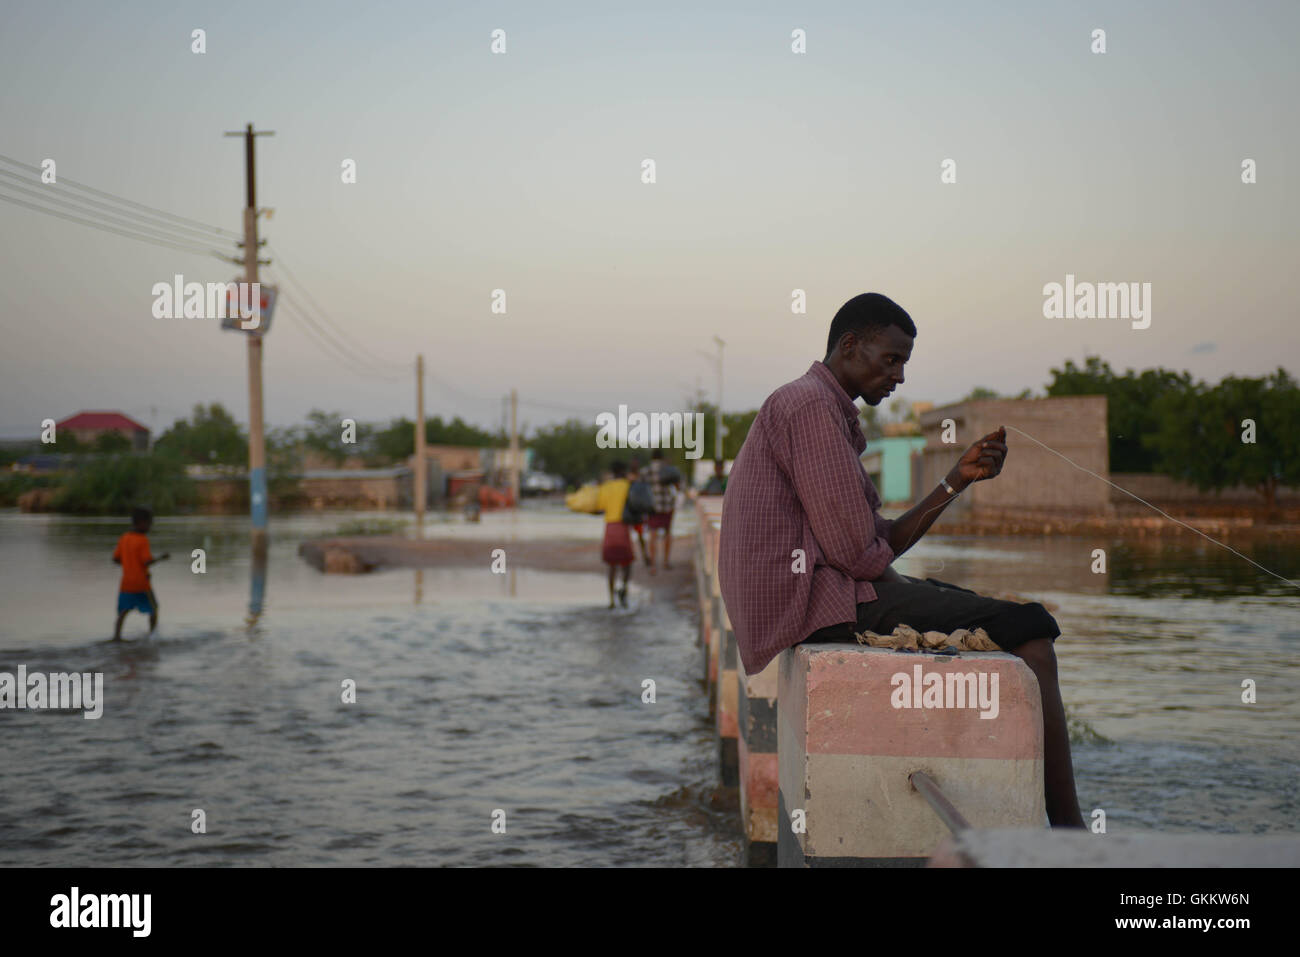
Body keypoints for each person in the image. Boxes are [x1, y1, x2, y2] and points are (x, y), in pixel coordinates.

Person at [716, 292, 1086, 828]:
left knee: (969, 603)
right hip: (810, 602)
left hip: (817, 593)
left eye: (904, 363)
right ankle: (1074, 837)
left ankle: (1066, 828)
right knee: (1032, 627)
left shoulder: (816, 406)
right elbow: (862, 557)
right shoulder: (811, 408)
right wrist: (895, 568)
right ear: (849, 346)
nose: (900, 377)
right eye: (891, 359)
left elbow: (872, 542)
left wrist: (958, 479)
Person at [112, 506, 169, 640]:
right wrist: (162, 557)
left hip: (126, 584)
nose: (150, 526)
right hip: (142, 583)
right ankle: (153, 635)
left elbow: (115, 559)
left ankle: (116, 637)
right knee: (154, 609)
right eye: (149, 523)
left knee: (123, 612)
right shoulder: (142, 540)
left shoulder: (124, 537)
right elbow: (146, 562)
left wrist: (128, 564)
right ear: (142, 522)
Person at [595, 461, 634, 608]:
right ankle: (623, 588)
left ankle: (611, 600)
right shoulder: (627, 485)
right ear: (623, 471)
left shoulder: (605, 487)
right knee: (627, 563)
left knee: (611, 566)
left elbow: (600, 508)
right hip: (623, 527)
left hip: (610, 527)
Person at [645, 449, 681, 573]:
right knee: (667, 533)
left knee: (653, 535)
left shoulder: (646, 471)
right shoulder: (667, 468)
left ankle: (653, 565)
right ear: (661, 457)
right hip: (667, 505)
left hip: (653, 507)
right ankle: (666, 562)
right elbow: (677, 485)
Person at [625, 458, 653, 567]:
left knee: (636, 536)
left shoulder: (629, 479)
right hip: (636, 513)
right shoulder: (640, 479)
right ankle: (644, 556)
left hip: (632, 512)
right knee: (640, 536)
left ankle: (642, 556)